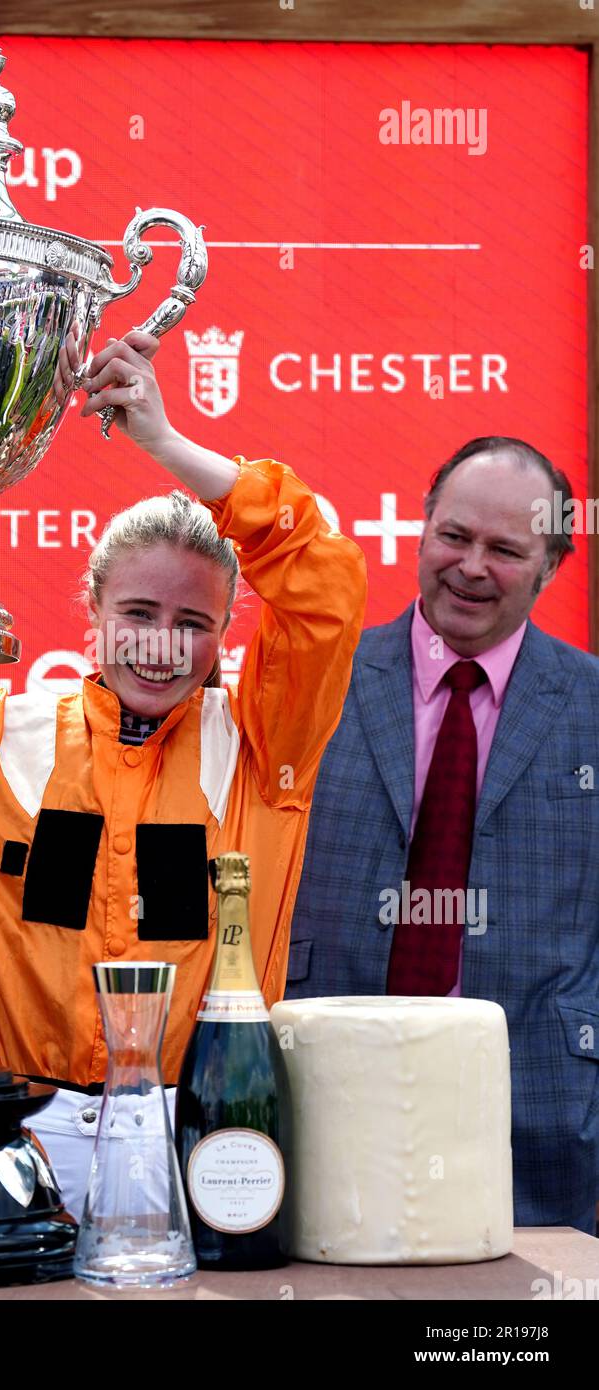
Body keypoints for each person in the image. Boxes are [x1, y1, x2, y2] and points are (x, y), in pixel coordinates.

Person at [0, 323, 367, 1219]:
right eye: (137, 610)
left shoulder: (261, 749)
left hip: (205, 1133)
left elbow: (325, 584)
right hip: (18, 1134)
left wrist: (165, 444)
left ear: (224, 633)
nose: (163, 647)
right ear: (90, 610)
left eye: (194, 623)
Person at [286, 436, 599, 1235]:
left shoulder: (591, 708)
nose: (470, 566)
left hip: (544, 1122)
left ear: (549, 568)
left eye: (504, 549)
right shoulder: (313, 677)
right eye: (454, 536)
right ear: (420, 530)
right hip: (320, 1098)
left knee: (500, 1354)